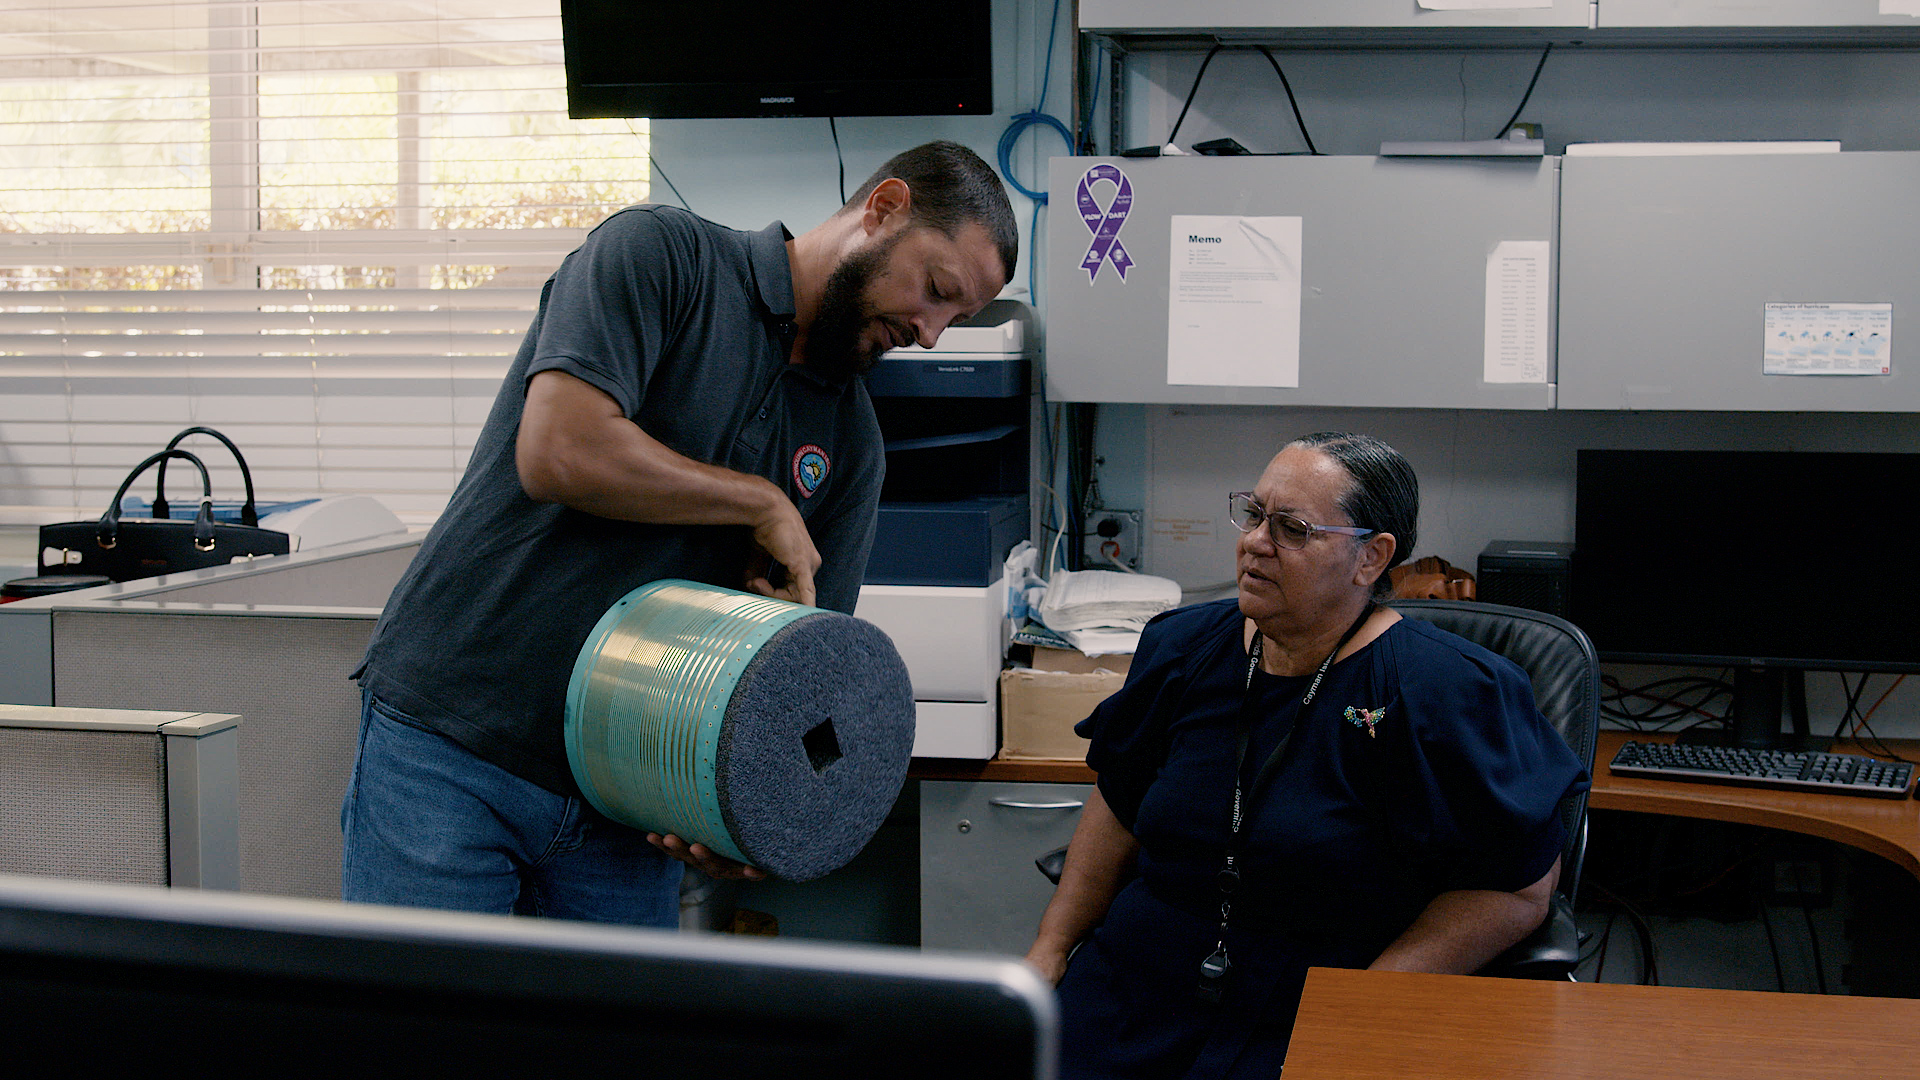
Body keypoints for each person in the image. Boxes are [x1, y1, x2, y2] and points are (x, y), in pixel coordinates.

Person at [343, 141, 1017, 924]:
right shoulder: (662, 257)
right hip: (455, 744)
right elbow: (559, 450)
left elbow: (801, 678)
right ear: (885, 209)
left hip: (628, 804)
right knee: (423, 1008)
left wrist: (743, 814)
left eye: (957, 318)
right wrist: (761, 503)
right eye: (937, 291)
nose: (930, 333)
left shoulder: (852, 443)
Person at [1025, 432, 1589, 1078]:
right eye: (1254, 514)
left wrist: (1369, 1000)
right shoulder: (1182, 649)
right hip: (1138, 978)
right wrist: (1051, 947)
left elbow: (1518, 888)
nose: (1255, 542)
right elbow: (1119, 804)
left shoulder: (1446, 690)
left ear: (1371, 558)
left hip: (1322, 993)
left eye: (1292, 529)